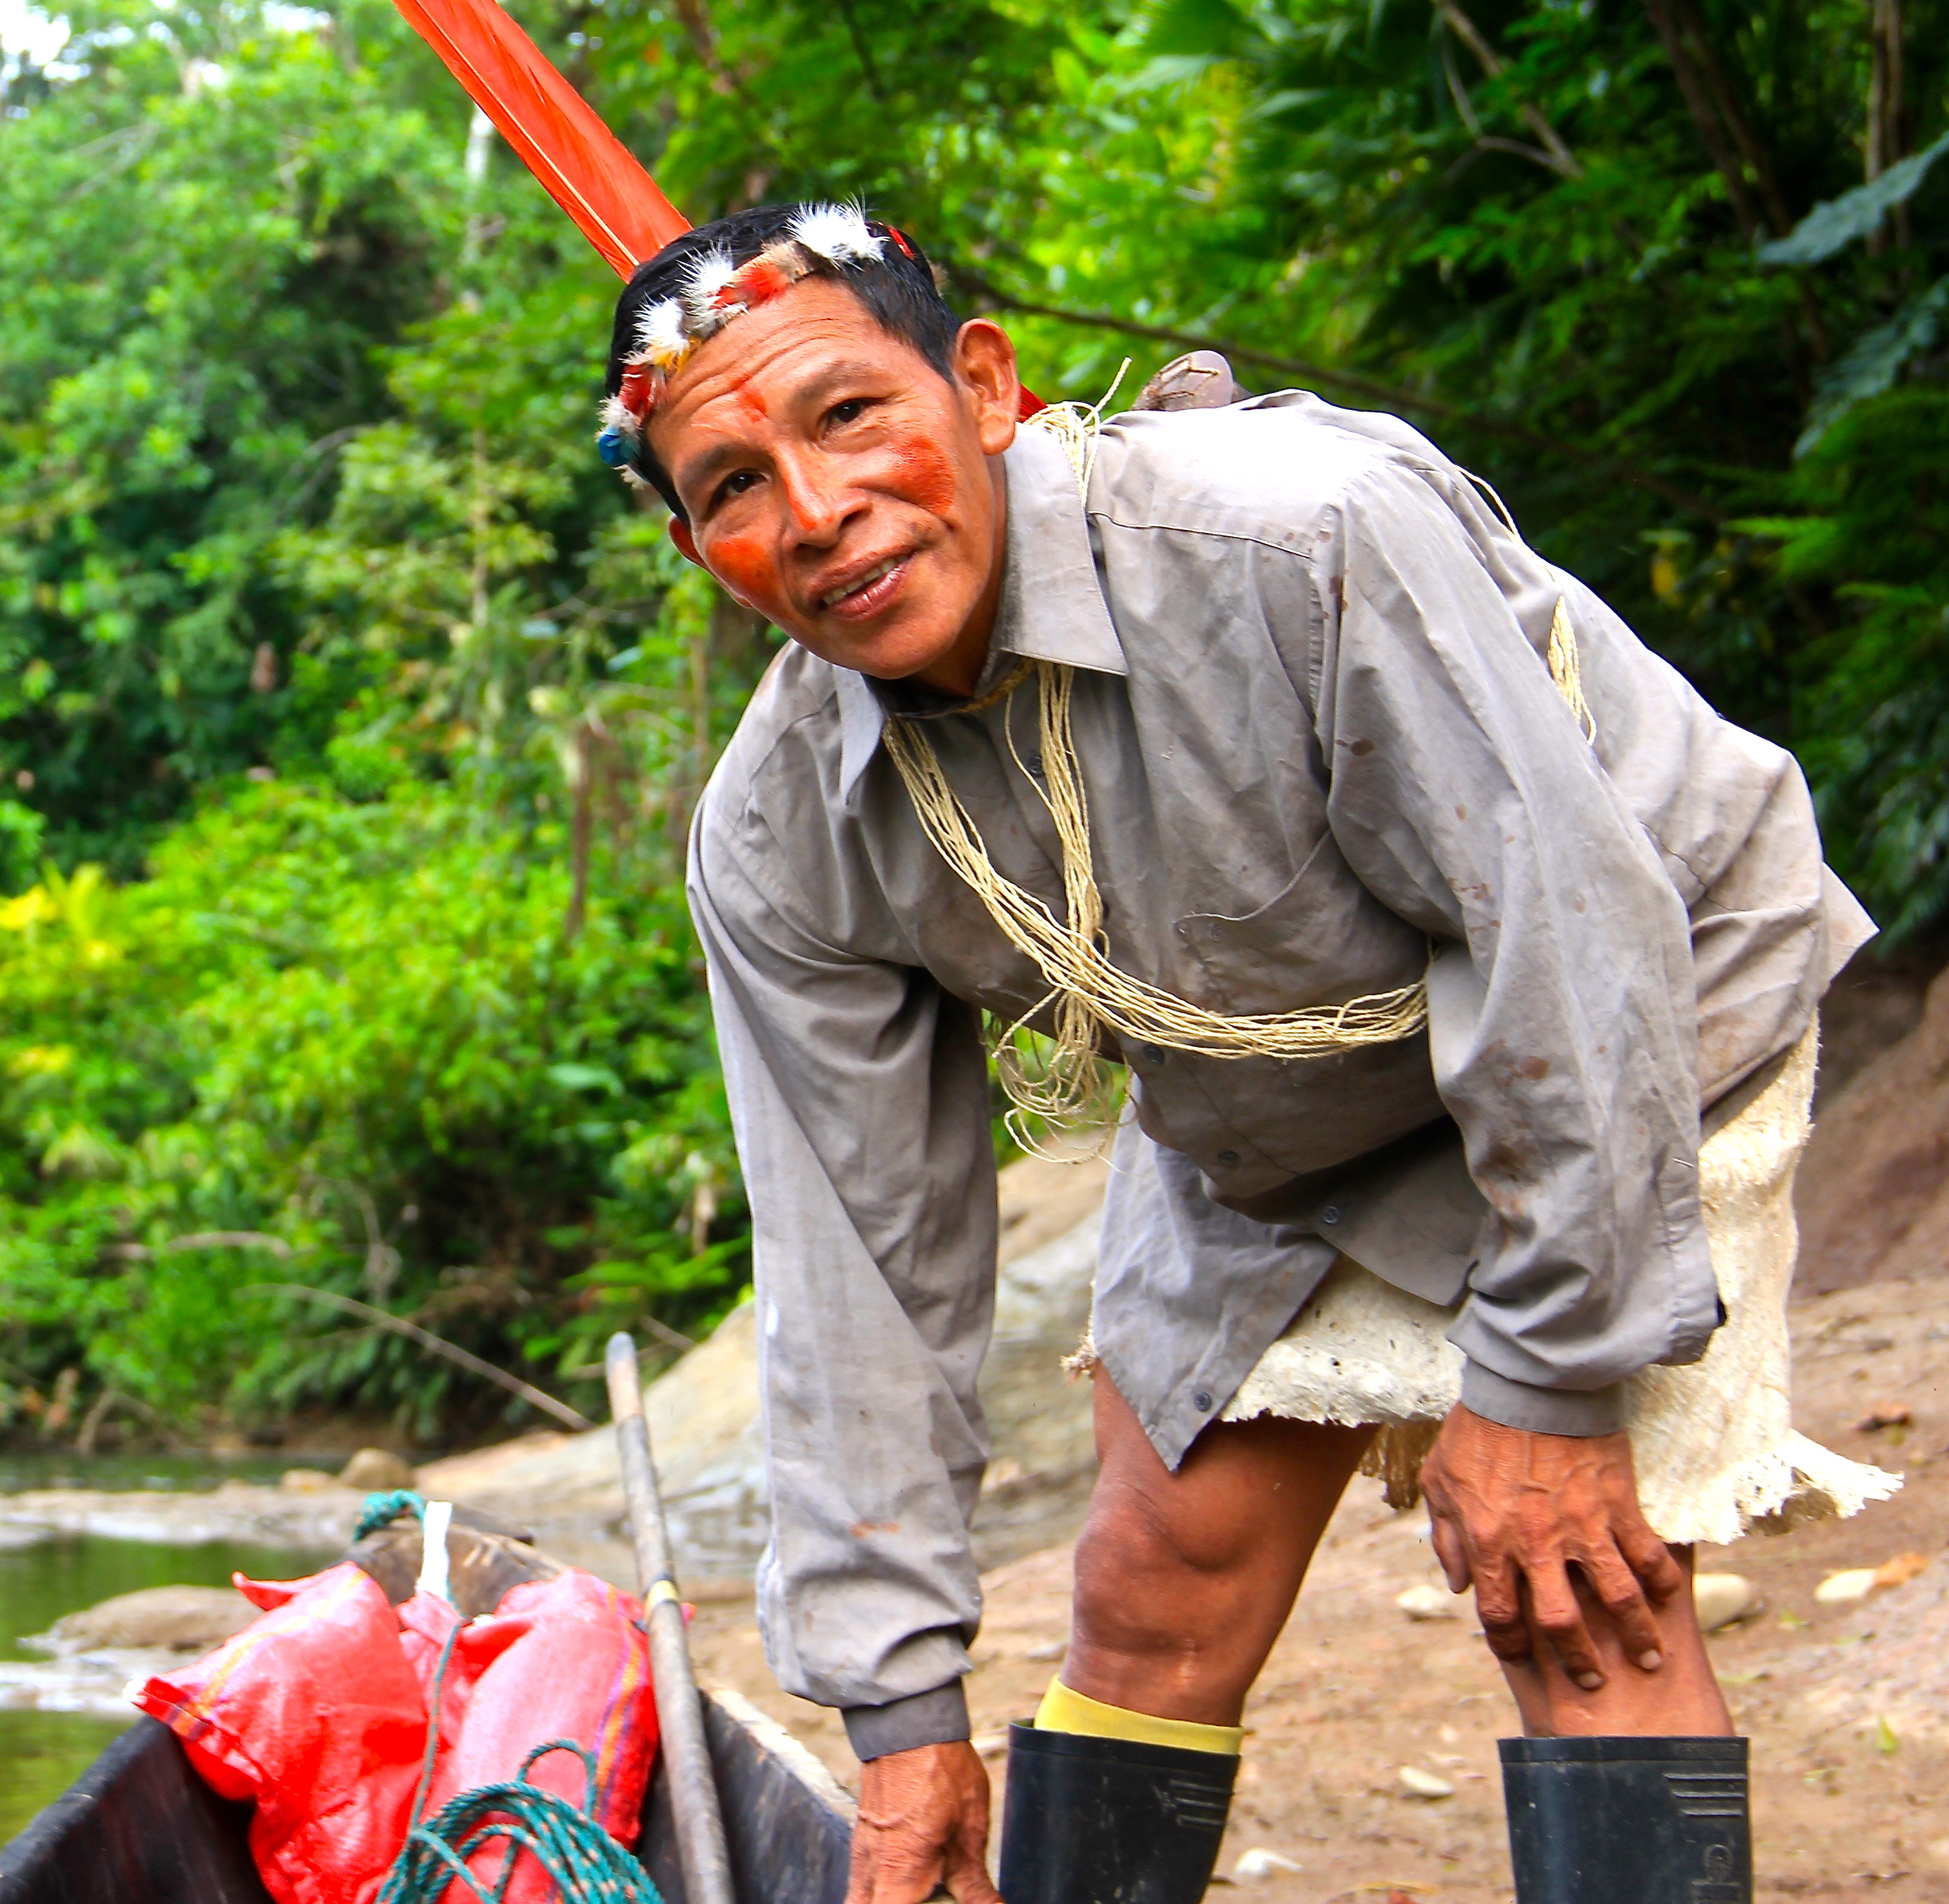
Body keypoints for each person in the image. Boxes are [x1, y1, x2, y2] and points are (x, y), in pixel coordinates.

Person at [601, 203, 1898, 1904]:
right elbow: (858, 1265)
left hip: (1630, 995)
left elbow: (1568, 931)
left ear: (983, 388)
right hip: (1271, 1100)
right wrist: (899, 1713)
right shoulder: (779, 840)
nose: (820, 511)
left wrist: (1549, 1381)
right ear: (707, 553)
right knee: (1153, 1584)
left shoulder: (1301, 539)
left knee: (1566, 1585)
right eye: (735, 486)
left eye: (850, 416)